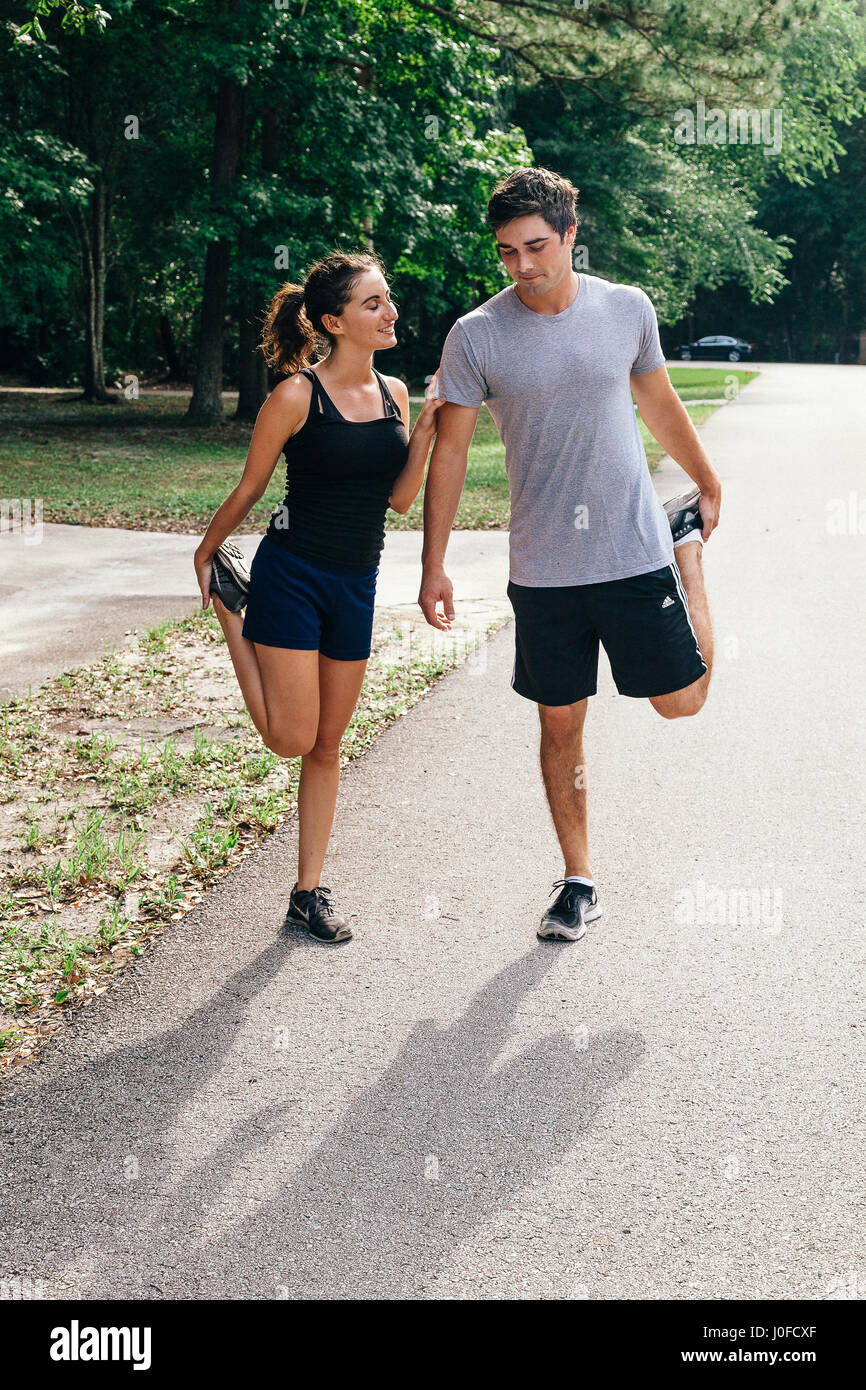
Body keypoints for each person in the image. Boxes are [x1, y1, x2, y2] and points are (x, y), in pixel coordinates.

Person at [421, 166, 720, 944]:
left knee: (681, 702)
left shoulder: (625, 309)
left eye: (536, 247)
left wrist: (706, 481)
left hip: (634, 550)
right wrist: (434, 563)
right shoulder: (476, 334)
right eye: (506, 251)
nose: (522, 265)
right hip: (545, 569)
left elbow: (658, 399)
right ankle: (578, 878)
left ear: (570, 235)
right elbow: (449, 454)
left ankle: (687, 556)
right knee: (560, 724)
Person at [194, 251, 443, 944]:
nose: (389, 311)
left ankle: (308, 892)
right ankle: (230, 609)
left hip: (356, 582)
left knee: (328, 745)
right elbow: (250, 488)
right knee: (289, 738)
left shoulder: (395, 392)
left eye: (387, 299)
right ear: (334, 321)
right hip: (294, 573)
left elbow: (397, 500)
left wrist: (421, 433)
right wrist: (207, 550)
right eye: (372, 304)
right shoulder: (296, 396)